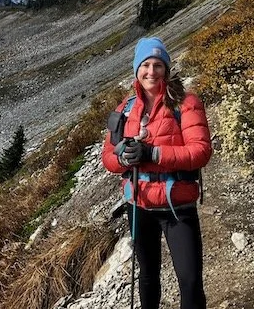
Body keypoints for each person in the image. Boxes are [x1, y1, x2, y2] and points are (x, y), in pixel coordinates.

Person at [102, 37, 212, 309]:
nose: (151, 72)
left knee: (189, 281)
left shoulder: (185, 103)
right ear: (136, 69)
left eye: (158, 65)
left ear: (167, 69)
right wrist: (124, 159)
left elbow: (200, 151)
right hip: (139, 205)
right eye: (145, 65)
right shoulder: (125, 109)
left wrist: (152, 154)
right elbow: (108, 157)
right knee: (148, 275)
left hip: (178, 206)